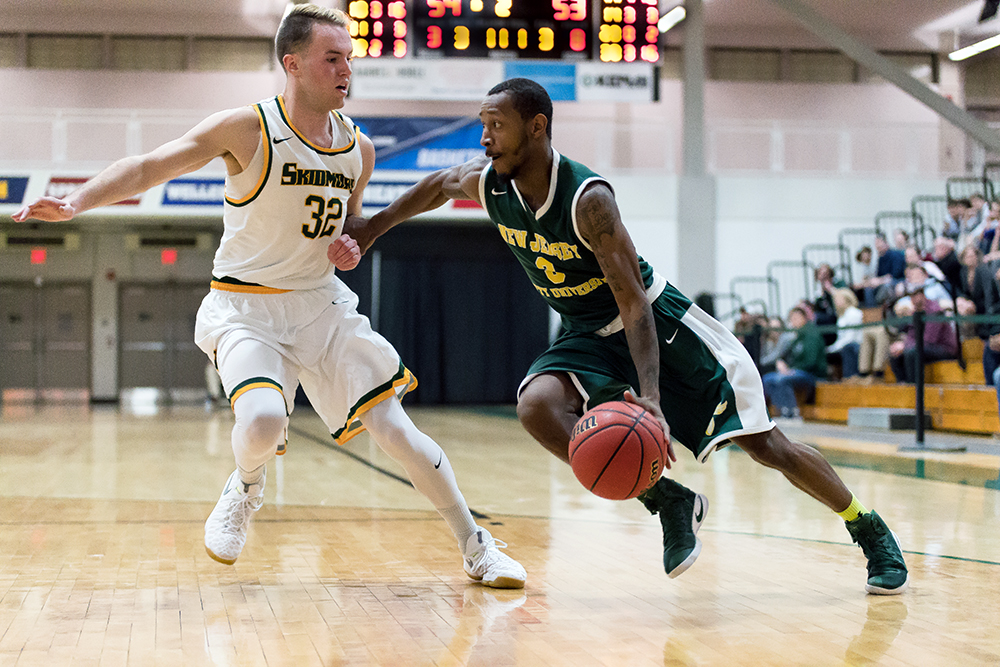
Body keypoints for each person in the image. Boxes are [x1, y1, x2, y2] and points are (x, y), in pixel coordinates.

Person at [11, 4, 525, 589]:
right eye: (332, 58)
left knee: (396, 430)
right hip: (245, 305)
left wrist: (349, 248)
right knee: (260, 420)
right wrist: (77, 201)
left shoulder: (360, 149)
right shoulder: (247, 128)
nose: (346, 70)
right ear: (293, 64)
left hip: (319, 305)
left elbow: (349, 227)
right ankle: (247, 485)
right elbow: (151, 165)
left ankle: (476, 545)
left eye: (349, 59)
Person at [338, 78, 908, 595]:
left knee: (765, 445)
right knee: (536, 407)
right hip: (588, 331)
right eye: (483, 126)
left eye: (497, 126)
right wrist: (371, 228)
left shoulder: (588, 201)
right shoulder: (491, 185)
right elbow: (438, 184)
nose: (485, 139)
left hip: (661, 326)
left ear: (536, 127)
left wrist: (653, 400)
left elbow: (634, 302)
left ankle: (867, 527)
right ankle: (668, 499)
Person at [761, 306, 827, 418]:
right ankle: (780, 409)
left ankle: (792, 410)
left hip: (812, 373)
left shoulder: (812, 335)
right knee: (768, 379)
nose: (793, 321)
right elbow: (790, 358)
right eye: (792, 318)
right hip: (797, 370)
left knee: (782, 379)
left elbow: (811, 362)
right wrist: (785, 366)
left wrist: (792, 369)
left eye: (796, 317)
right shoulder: (796, 337)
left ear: (804, 318)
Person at [888, 281, 958, 384]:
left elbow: (929, 339)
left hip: (944, 348)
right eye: (911, 296)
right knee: (896, 354)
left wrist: (905, 346)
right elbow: (912, 335)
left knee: (911, 352)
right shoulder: (915, 312)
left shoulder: (934, 310)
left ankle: (914, 387)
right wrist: (902, 345)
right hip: (925, 347)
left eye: (916, 295)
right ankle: (903, 384)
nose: (913, 299)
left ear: (922, 294)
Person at [827, 288, 863, 380]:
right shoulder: (841, 315)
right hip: (843, 344)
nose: (836, 302)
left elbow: (850, 337)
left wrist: (835, 348)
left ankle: (850, 378)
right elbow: (841, 337)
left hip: (855, 344)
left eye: (839, 299)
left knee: (848, 348)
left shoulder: (853, 313)